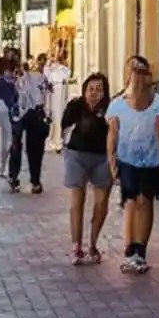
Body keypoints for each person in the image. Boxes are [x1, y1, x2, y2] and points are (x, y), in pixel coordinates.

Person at [108, 56, 159, 274]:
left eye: (142, 73)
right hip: (127, 159)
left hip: (150, 160)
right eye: (134, 73)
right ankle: (129, 247)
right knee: (131, 201)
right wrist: (112, 160)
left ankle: (140, 250)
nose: (138, 78)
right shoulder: (117, 104)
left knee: (145, 201)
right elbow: (112, 134)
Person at [63, 72, 113, 265]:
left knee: (101, 204)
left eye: (99, 89)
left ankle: (92, 244)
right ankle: (76, 245)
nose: (94, 93)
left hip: (102, 157)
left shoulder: (110, 109)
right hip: (77, 155)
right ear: (84, 91)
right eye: (90, 89)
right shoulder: (75, 106)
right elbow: (65, 126)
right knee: (77, 202)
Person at [9, 58, 51, 194]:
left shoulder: (37, 78)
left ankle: (35, 180)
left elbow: (47, 93)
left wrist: (47, 114)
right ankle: (13, 177)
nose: (16, 73)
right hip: (18, 115)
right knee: (15, 146)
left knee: (35, 148)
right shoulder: (9, 82)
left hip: (35, 114)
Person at [0, 58, 20, 182]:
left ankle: (2, 167)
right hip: (6, 109)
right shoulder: (9, 82)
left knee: (4, 138)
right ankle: (7, 167)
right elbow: (12, 98)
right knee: (9, 138)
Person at [45, 53, 72, 153]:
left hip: (59, 95)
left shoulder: (62, 70)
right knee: (55, 117)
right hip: (55, 95)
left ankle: (59, 140)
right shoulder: (55, 70)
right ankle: (56, 140)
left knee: (59, 117)